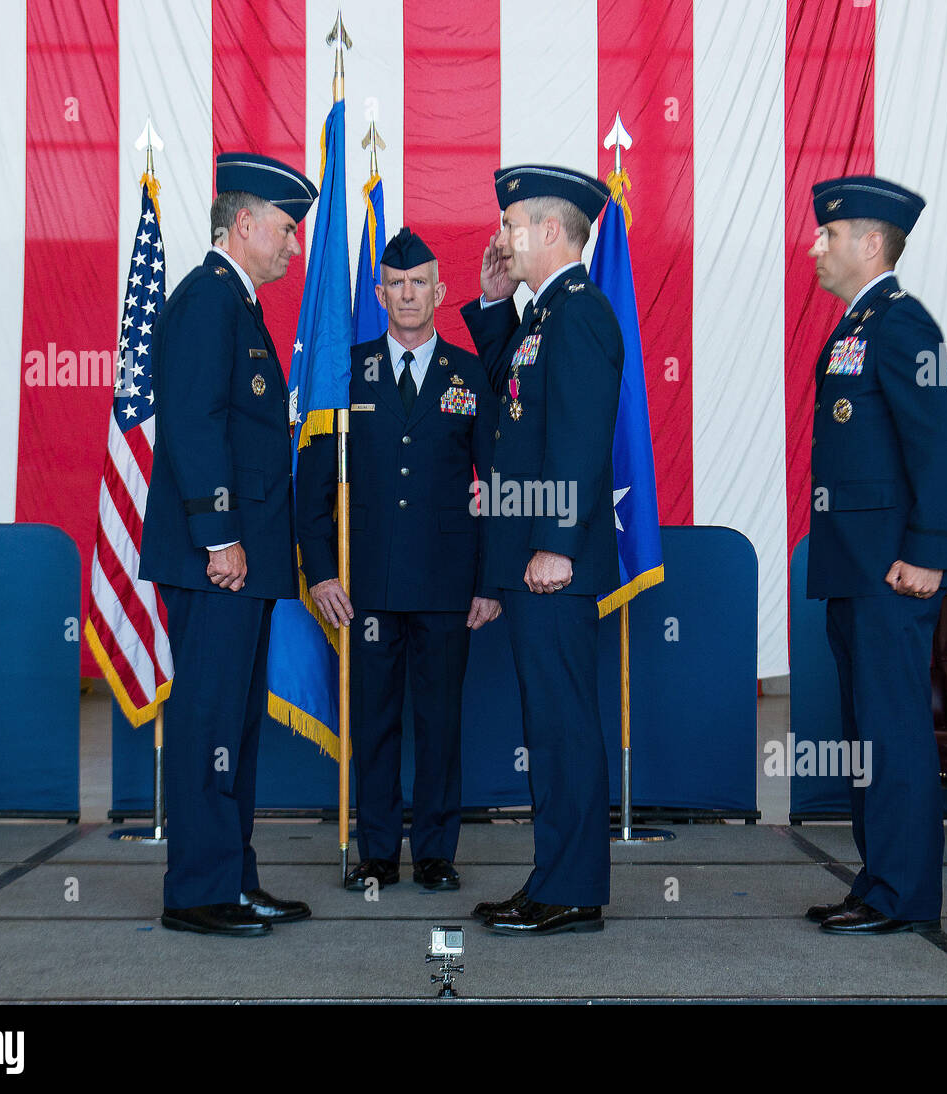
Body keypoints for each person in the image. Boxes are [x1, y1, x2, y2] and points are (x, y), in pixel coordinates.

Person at [140, 152, 317, 937]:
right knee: (209, 722)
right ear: (242, 225)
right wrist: (219, 538)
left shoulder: (235, 304)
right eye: (285, 229)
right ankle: (199, 892)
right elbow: (192, 425)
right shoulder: (208, 301)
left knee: (234, 731)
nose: (292, 246)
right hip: (216, 559)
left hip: (238, 561)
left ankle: (231, 878)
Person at [297, 227, 501, 893]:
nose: (408, 293)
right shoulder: (343, 373)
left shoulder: (470, 375)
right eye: (396, 283)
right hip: (368, 587)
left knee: (440, 725)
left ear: (441, 292)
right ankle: (379, 851)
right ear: (378, 293)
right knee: (375, 724)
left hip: (448, 587)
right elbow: (314, 484)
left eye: (420, 283)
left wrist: (493, 580)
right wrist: (323, 570)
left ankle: (437, 852)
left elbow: (497, 484)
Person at [801, 174, 947, 935]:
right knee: (867, 735)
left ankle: (904, 895)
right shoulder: (858, 325)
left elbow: (944, 442)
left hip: (893, 572)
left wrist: (930, 552)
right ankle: (878, 884)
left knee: (892, 733)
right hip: (856, 567)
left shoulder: (902, 325)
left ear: (871, 243)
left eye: (829, 235)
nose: (817, 246)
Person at [459, 164, 623, 936]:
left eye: (511, 224)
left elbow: (582, 440)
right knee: (548, 724)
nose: (500, 236)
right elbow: (512, 402)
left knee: (562, 725)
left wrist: (556, 545)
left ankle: (574, 887)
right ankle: (556, 877)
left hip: (553, 561)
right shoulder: (543, 315)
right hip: (532, 557)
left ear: (550, 231)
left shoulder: (581, 314)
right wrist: (495, 306)